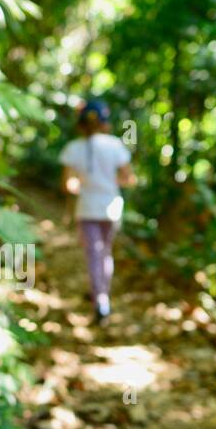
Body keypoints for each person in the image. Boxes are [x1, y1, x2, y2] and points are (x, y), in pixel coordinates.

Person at [59, 98, 136, 323]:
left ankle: (100, 299)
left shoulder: (73, 148)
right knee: (105, 252)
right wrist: (108, 181)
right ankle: (101, 294)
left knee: (93, 253)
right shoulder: (115, 145)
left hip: (87, 208)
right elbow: (129, 178)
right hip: (110, 208)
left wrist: (84, 184)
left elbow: (68, 184)